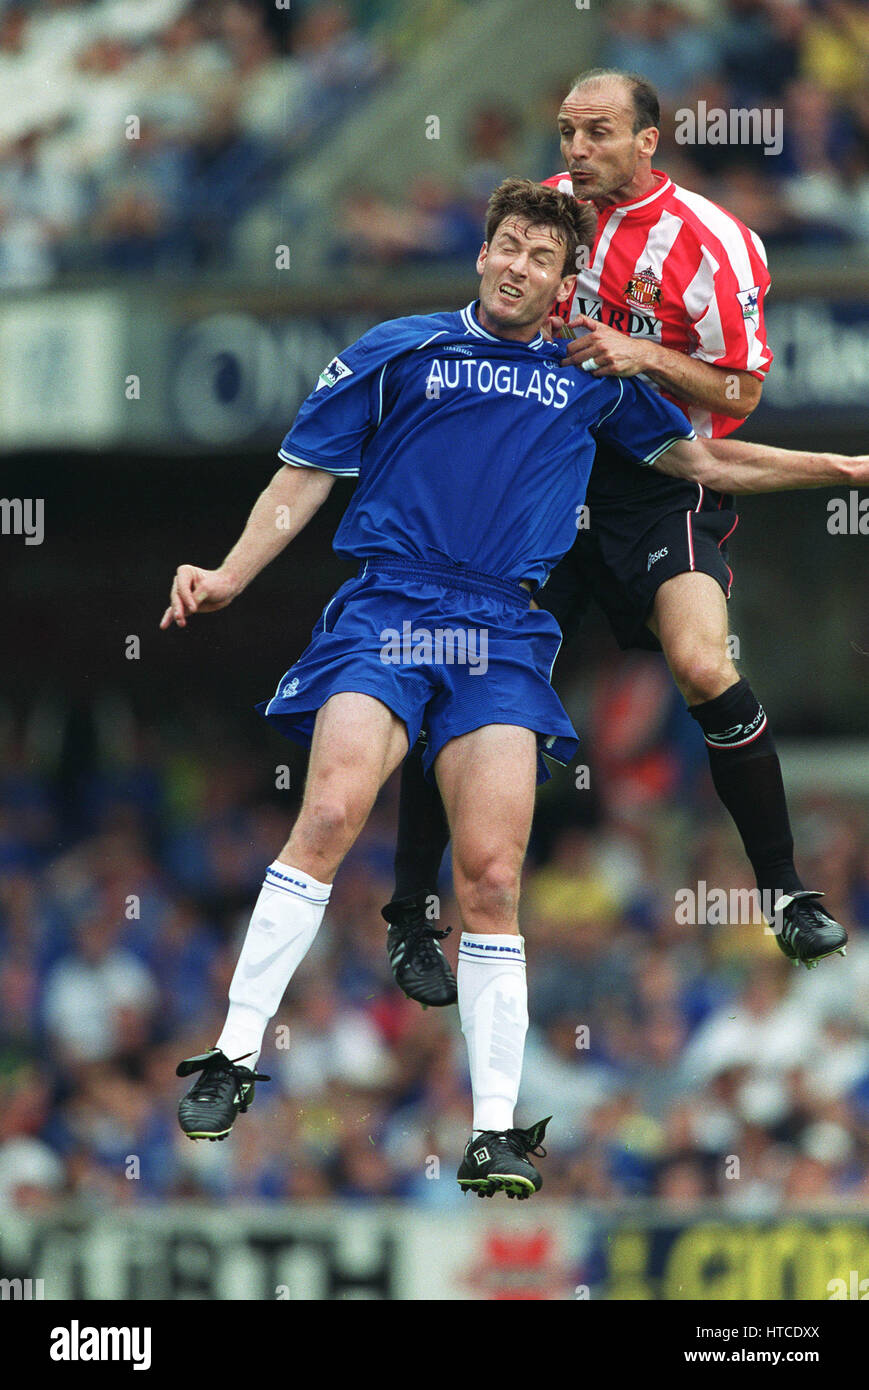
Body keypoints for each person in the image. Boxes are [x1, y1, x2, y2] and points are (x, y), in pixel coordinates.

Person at [161, 178, 865, 1198]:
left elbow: (704, 458)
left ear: (567, 278)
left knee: (491, 878)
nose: (516, 266)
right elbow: (300, 474)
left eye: (540, 256)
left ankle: (494, 1131)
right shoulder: (398, 345)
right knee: (328, 808)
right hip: (390, 611)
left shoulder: (594, 376)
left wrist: (841, 467)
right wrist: (227, 573)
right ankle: (231, 1057)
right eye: (504, 248)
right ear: (480, 254)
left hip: (501, 631)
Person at [382, 68, 848, 1011]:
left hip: (657, 476)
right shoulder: (542, 218)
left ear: (648, 140)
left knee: (701, 662)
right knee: (462, 677)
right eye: (564, 131)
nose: (575, 149)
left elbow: (740, 394)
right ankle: (407, 918)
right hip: (539, 473)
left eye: (596, 131)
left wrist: (644, 354)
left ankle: (783, 889)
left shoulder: (714, 244)